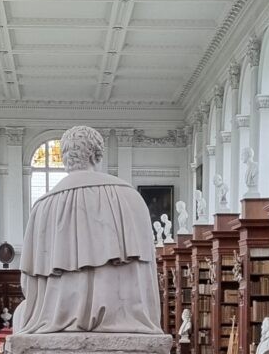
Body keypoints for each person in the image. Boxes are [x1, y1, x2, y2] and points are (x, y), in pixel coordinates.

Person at [14, 125, 161, 333]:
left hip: (53, 322)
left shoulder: (42, 207)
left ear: (65, 157)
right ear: (96, 154)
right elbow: (147, 279)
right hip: (126, 323)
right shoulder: (130, 198)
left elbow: (28, 285)